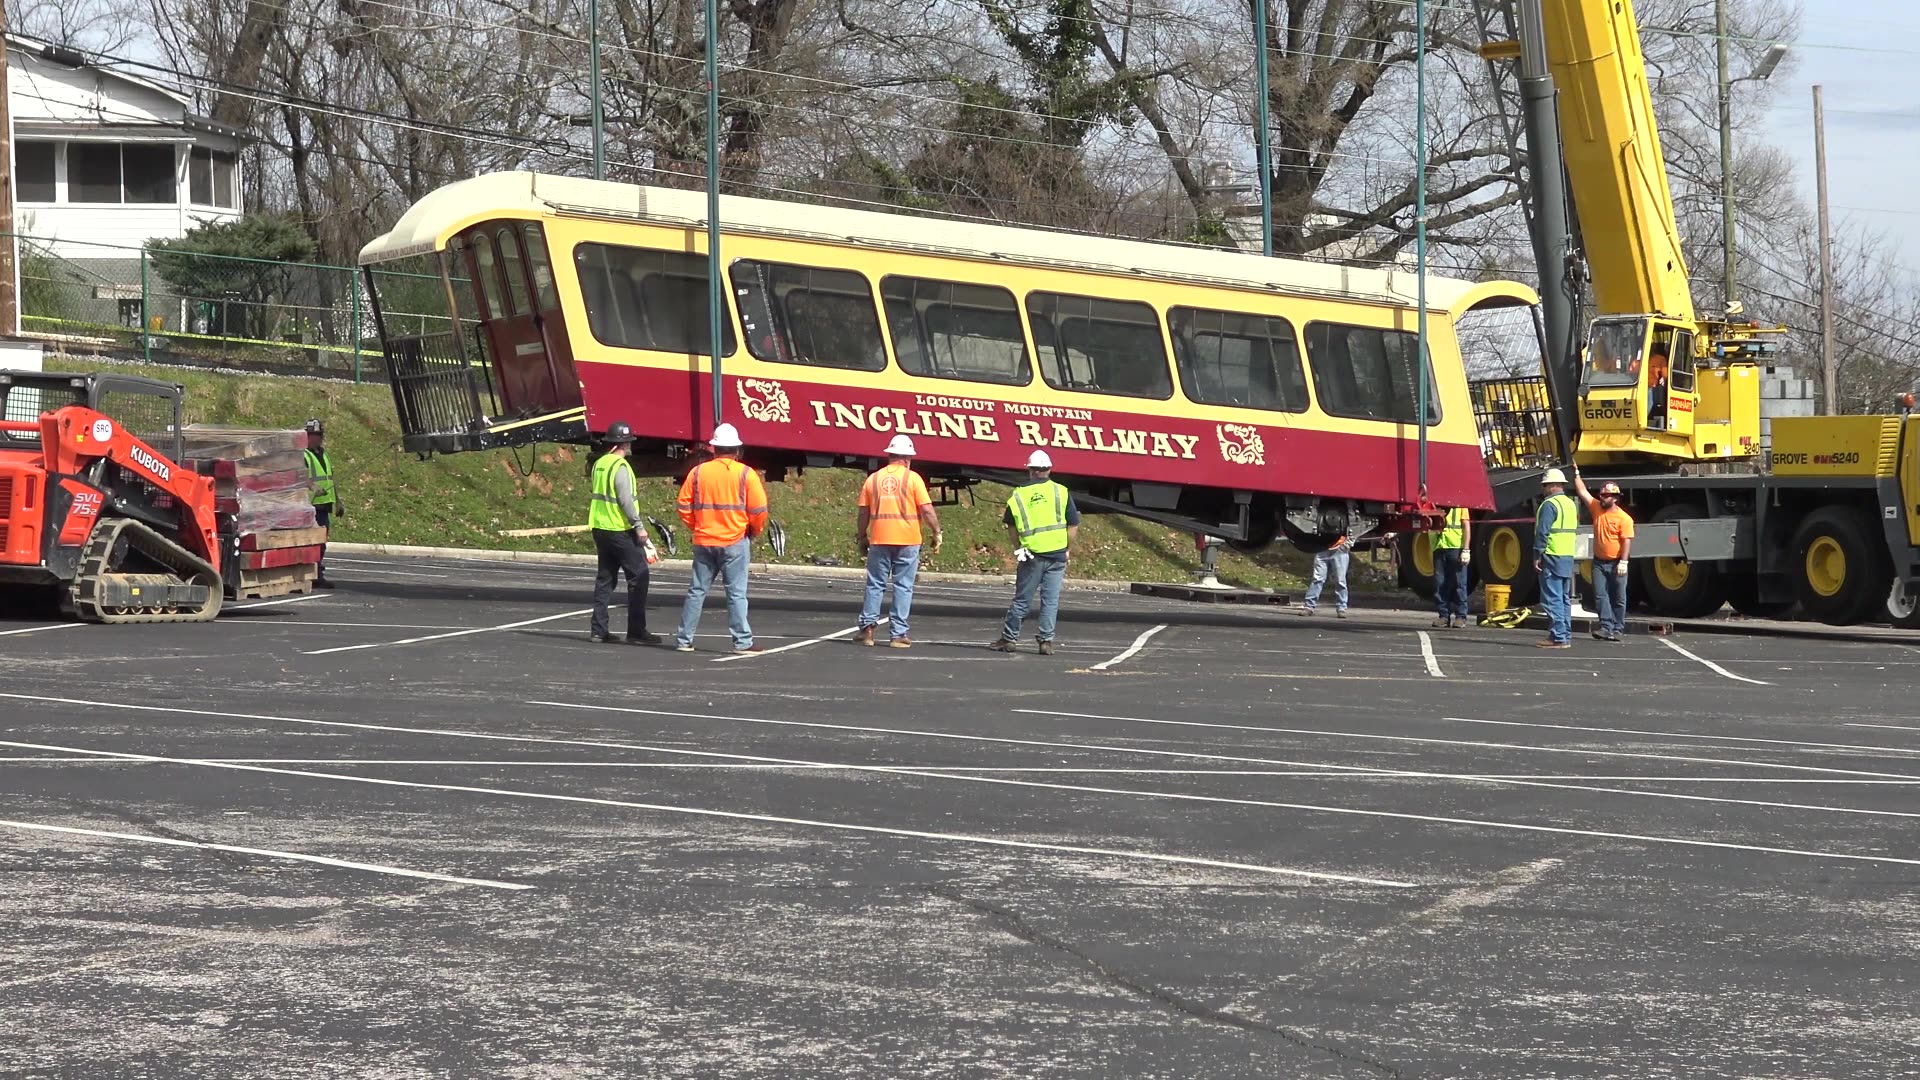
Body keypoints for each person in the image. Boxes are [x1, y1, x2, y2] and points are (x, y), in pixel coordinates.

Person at [671, 423, 769, 654]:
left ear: (714, 448)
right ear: (736, 449)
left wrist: (698, 526)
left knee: (697, 591)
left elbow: (683, 506)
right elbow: (759, 510)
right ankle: (742, 642)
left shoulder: (697, 473)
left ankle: (684, 639)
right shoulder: (746, 474)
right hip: (734, 541)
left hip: (704, 540)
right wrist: (754, 530)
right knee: (736, 594)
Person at [855, 435, 942, 649]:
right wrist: (936, 531)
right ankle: (898, 635)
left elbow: (863, 513)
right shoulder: (913, 479)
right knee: (903, 587)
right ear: (907, 458)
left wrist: (861, 536)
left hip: (879, 538)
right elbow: (927, 509)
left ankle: (867, 631)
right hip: (908, 540)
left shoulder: (872, 479)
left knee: (875, 585)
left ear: (890, 456)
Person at [988, 450, 1079, 654]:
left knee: (1022, 599)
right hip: (1057, 554)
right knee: (1050, 600)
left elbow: (1011, 527)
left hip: (1032, 555)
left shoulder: (1019, 495)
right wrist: (1066, 548)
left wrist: (1018, 547)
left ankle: (1009, 639)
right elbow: (1073, 524)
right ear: (1049, 470)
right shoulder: (1061, 491)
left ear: (1030, 471)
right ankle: (1046, 641)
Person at [586, 421, 660, 645]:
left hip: (600, 527)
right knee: (639, 576)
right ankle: (636, 631)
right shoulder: (620, 467)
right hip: (619, 529)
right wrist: (639, 527)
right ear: (625, 443)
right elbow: (625, 500)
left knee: (605, 579)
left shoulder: (600, 463)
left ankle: (599, 630)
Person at [1573, 467, 1634, 641]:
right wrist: (1577, 473)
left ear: (1615, 498)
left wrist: (1624, 562)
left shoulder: (1624, 519)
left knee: (1619, 597)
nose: (1603, 498)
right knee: (1600, 596)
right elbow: (1582, 491)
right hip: (1599, 562)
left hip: (1617, 563)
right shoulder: (1596, 508)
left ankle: (1618, 629)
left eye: (1607, 495)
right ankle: (1606, 627)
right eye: (1602, 495)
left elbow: (1627, 541)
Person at [1534, 468, 1579, 648]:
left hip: (1552, 554)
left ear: (1552, 486)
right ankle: (1565, 634)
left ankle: (1558, 637)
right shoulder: (1569, 504)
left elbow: (1542, 532)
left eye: (1545, 485)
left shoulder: (1549, 505)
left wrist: (1537, 554)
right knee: (1563, 598)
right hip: (1567, 554)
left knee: (1552, 598)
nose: (1543, 489)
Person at [304, 419, 338, 589]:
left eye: (316, 435)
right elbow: (299, 475)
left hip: (324, 504)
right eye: (310, 435)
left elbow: (331, 478)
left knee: (321, 542)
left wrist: (338, 501)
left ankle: (317, 571)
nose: (313, 438)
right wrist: (312, 486)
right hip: (310, 505)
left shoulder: (323, 455)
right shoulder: (303, 455)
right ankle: (313, 573)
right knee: (312, 541)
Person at [1432, 506, 1472, 628]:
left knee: (1459, 583)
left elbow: (1466, 526)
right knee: (1440, 583)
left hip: (1456, 548)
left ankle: (1461, 616)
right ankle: (1444, 616)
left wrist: (1466, 549)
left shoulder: (1461, 507)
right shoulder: (1434, 505)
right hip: (1439, 547)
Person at [1300, 534, 1353, 618]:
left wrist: (1348, 544)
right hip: (1322, 549)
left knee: (1340, 581)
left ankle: (1341, 608)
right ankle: (1309, 607)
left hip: (1340, 549)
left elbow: (1353, 529)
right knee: (1317, 579)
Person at [1647, 342, 1670, 428]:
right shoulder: (1637, 360)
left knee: (1649, 392)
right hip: (1637, 387)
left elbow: (1665, 376)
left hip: (1652, 388)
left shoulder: (1660, 359)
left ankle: (1645, 417)